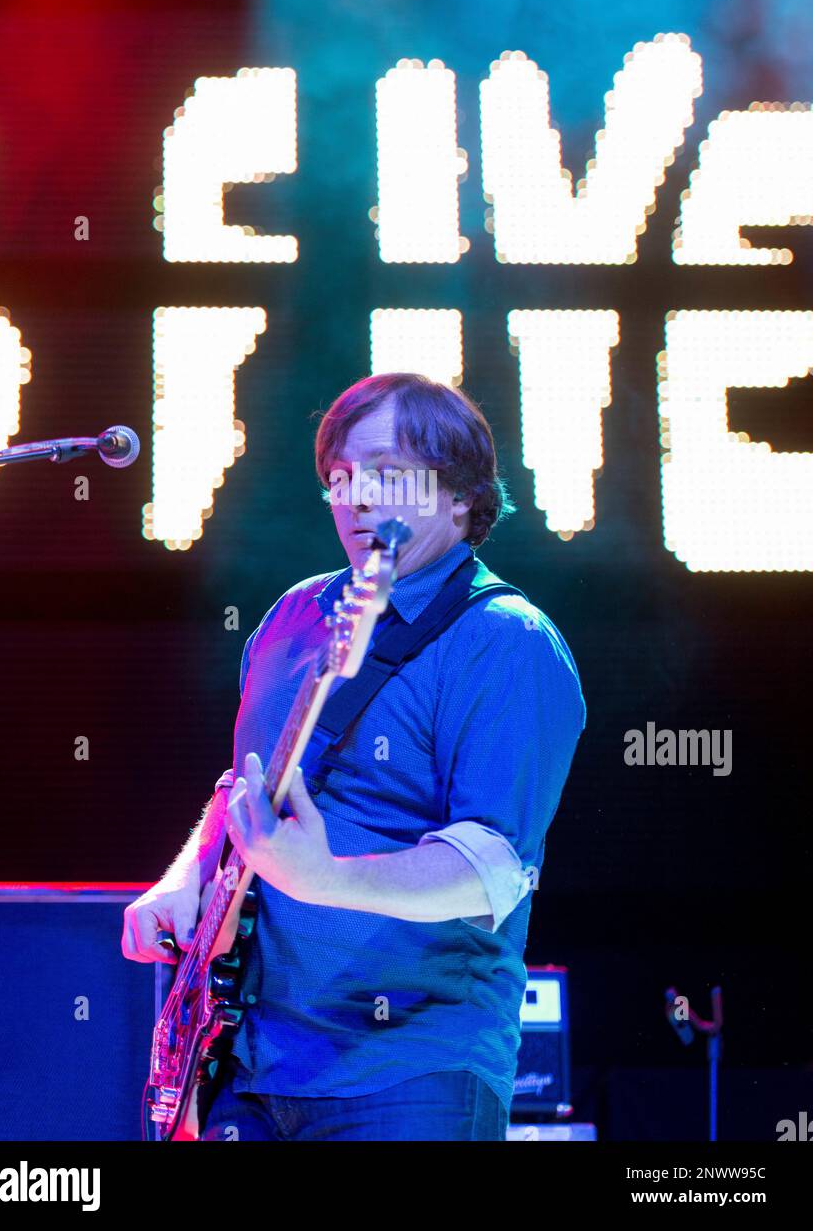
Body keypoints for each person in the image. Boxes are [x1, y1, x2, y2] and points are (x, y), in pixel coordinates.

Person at [123, 372, 586, 1141]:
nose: (357, 498)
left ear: (461, 496)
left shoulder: (506, 640)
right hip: (246, 1062)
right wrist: (187, 878)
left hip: (408, 1070)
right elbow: (247, 789)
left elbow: (491, 870)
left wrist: (326, 877)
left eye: (386, 473)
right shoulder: (293, 615)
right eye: (340, 477)